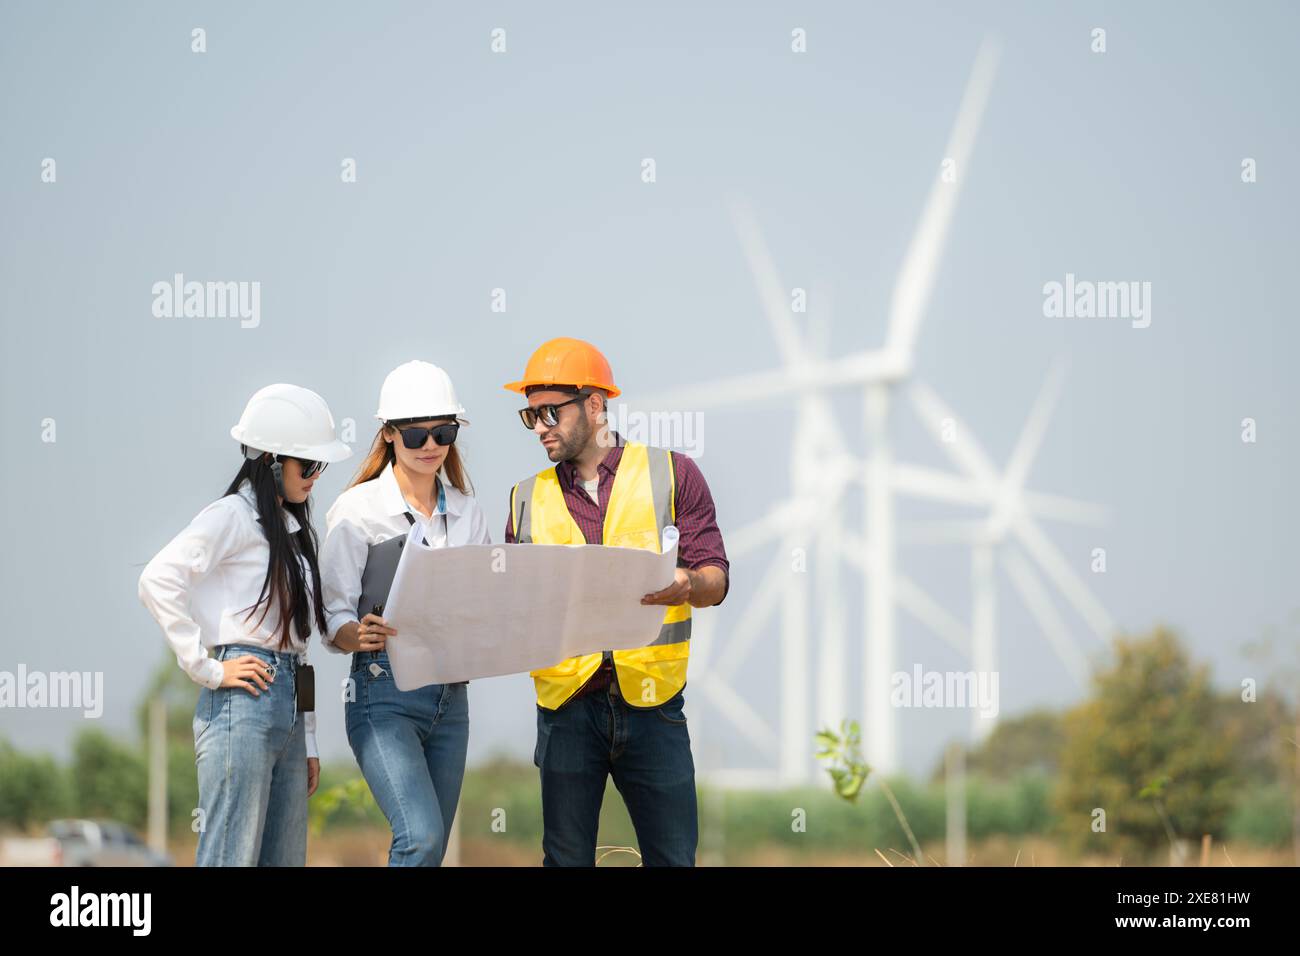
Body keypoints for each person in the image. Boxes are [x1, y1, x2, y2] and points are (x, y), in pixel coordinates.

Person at [503, 337, 730, 866]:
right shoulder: (523, 499)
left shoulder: (673, 473)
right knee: (565, 861)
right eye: (530, 415)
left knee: (674, 858)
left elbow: (715, 578)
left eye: (549, 412)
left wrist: (687, 585)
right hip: (566, 709)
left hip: (653, 705)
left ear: (595, 405)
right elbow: (513, 607)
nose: (539, 427)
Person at [138, 383, 352, 866]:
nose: (316, 476)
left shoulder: (291, 532)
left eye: (321, 466)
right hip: (244, 700)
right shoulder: (233, 516)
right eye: (308, 465)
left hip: (290, 707)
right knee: (230, 858)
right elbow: (158, 579)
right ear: (272, 460)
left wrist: (310, 737)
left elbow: (299, 648)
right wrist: (207, 670)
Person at [320, 360, 491, 866]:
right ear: (389, 434)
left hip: (450, 695)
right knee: (419, 837)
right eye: (417, 435)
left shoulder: (470, 512)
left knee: (431, 849)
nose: (432, 445)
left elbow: (483, 601)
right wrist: (357, 633)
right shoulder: (356, 510)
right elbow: (332, 613)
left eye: (444, 432)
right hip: (383, 692)